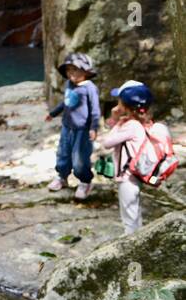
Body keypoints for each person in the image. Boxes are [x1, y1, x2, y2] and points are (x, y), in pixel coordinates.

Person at [98, 82, 170, 234]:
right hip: (135, 173)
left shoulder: (131, 125)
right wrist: (117, 121)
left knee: (129, 216)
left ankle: (132, 247)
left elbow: (107, 142)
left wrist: (116, 119)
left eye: (119, 101)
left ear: (124, 105)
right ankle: (138, 239)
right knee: (134, 212)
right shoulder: (141, 123)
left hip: (128, 176)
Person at [44, 52, 100, 199]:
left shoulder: (90, 88)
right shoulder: (70, 84)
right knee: (63, 152)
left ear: (86, 71)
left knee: (79, 157)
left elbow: (95, 110)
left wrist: (94, 128)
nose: (71, 74)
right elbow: (66, 102)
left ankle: (85, 181)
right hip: (67, 126)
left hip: (82, 130)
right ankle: (62, 176)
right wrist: (53, 113)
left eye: (75, 69)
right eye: (69, 70)